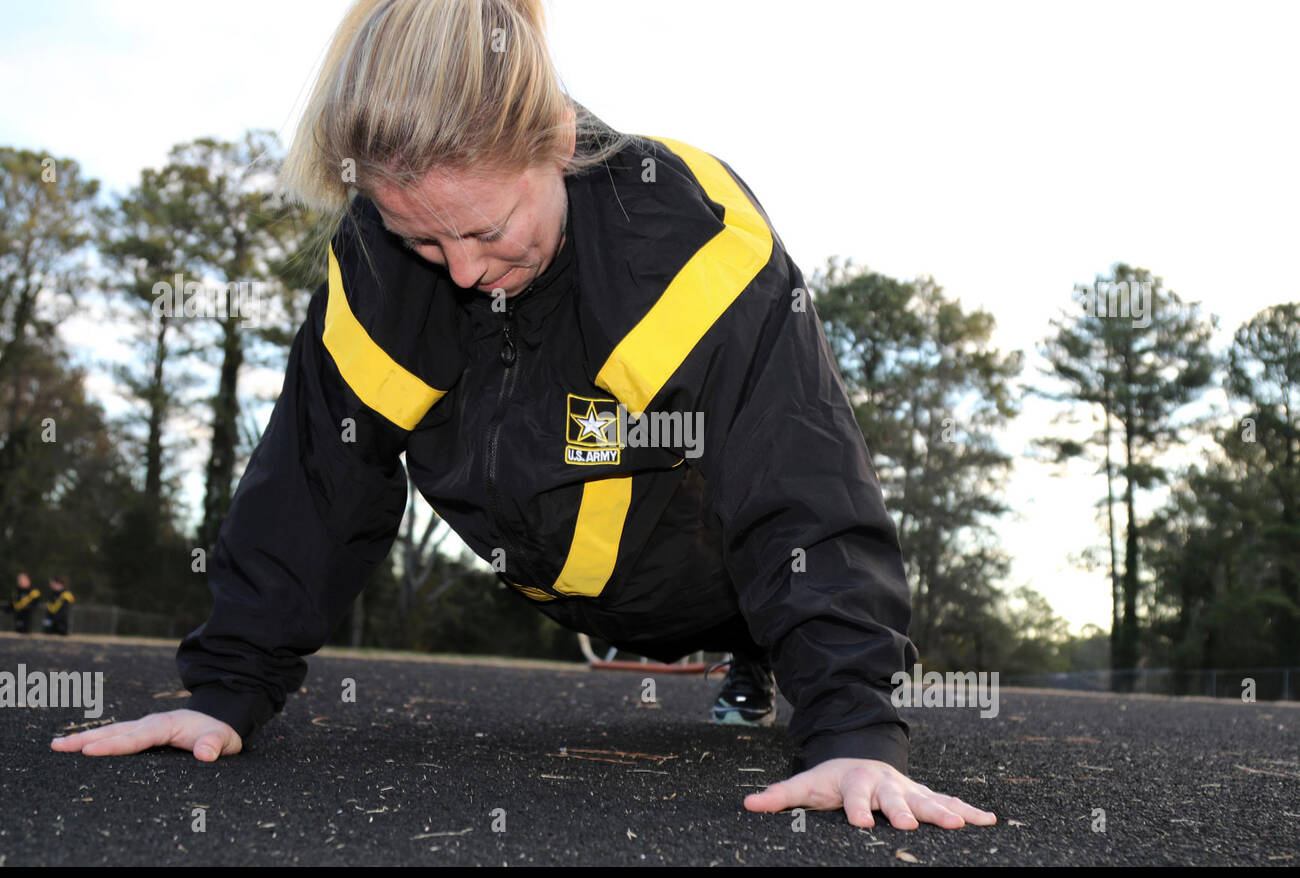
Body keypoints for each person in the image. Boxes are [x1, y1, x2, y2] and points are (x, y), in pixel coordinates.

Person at [54, 0, 995, 832]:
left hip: (705, 563)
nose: (460, 270)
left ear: (555, 141)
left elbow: (801, 473)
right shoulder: (375, 269)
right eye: (421, 236)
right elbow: (314, 480)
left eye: (485, 229)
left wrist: (853, 730)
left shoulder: (691, 242)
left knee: (751, 541)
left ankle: (763, 654)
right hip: (544, 550)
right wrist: (225, 691)